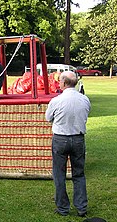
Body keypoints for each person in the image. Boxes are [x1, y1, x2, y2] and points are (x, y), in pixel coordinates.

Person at [45, 71, 91, 217]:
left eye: (59, 81)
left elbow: (48, 118)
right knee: (79, 174)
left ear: (64, 83)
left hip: (60, 138)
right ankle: (81, 207)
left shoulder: (56, 100)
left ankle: (63, 208)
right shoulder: (84, 99)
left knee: (59, 174)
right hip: (78, 138)